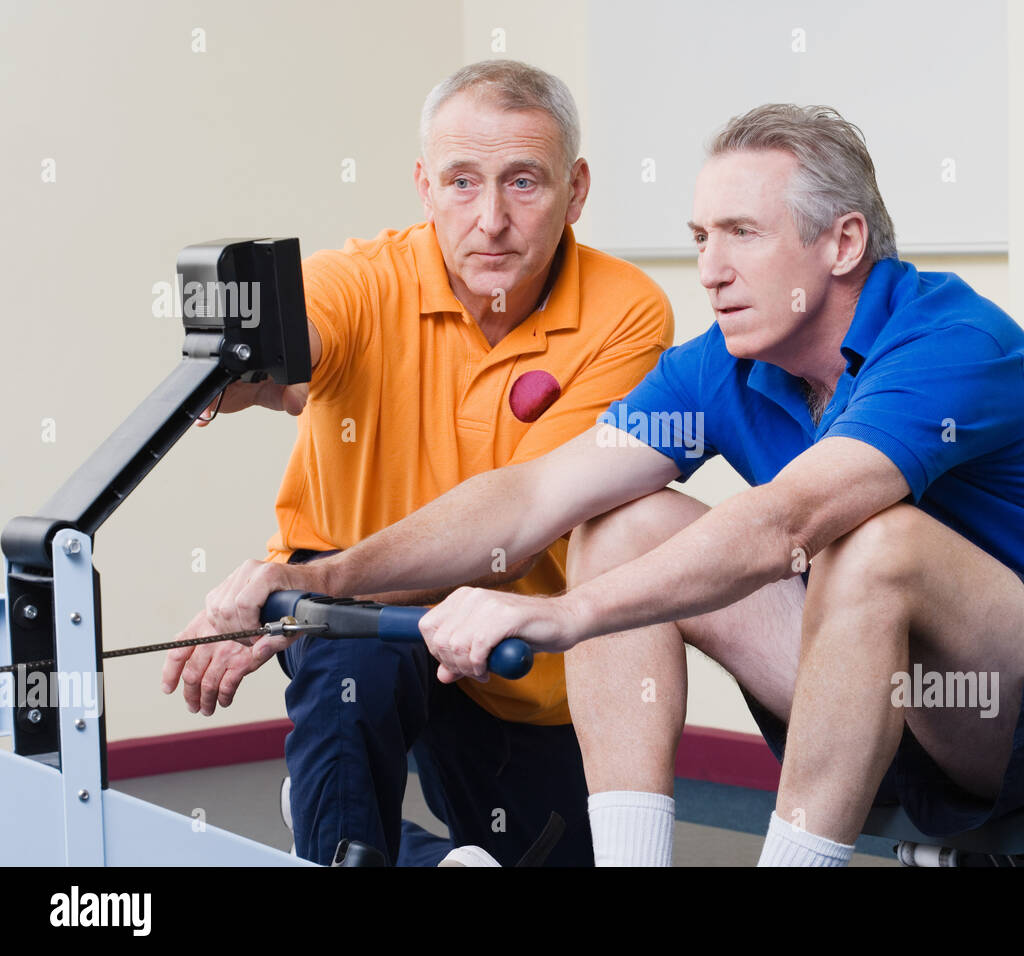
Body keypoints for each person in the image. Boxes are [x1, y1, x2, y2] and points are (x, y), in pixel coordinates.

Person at [178, 103, 1024, 867]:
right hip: (891, 690)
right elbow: (536, 496)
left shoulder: (947, 342)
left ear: (840, 245)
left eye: (741, 234)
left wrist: (571, 614)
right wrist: (320, 578)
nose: (710, 268)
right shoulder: (720, 367)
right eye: (700, 238)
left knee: (877, 540)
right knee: (618, 517)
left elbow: (788, 518)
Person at [160, 60, 674, 867]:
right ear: (424, 187)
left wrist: (306, 589)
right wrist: (228, 375)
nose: (491, 219)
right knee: (347, 658)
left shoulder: (627, 312)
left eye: (524, 183)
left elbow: (521, 517)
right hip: (364, 613)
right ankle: (344, 816)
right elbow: (293, 343)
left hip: (519, 654)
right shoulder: (363, 281)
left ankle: (363, 823)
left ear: (576, 191)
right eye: (462, 183)